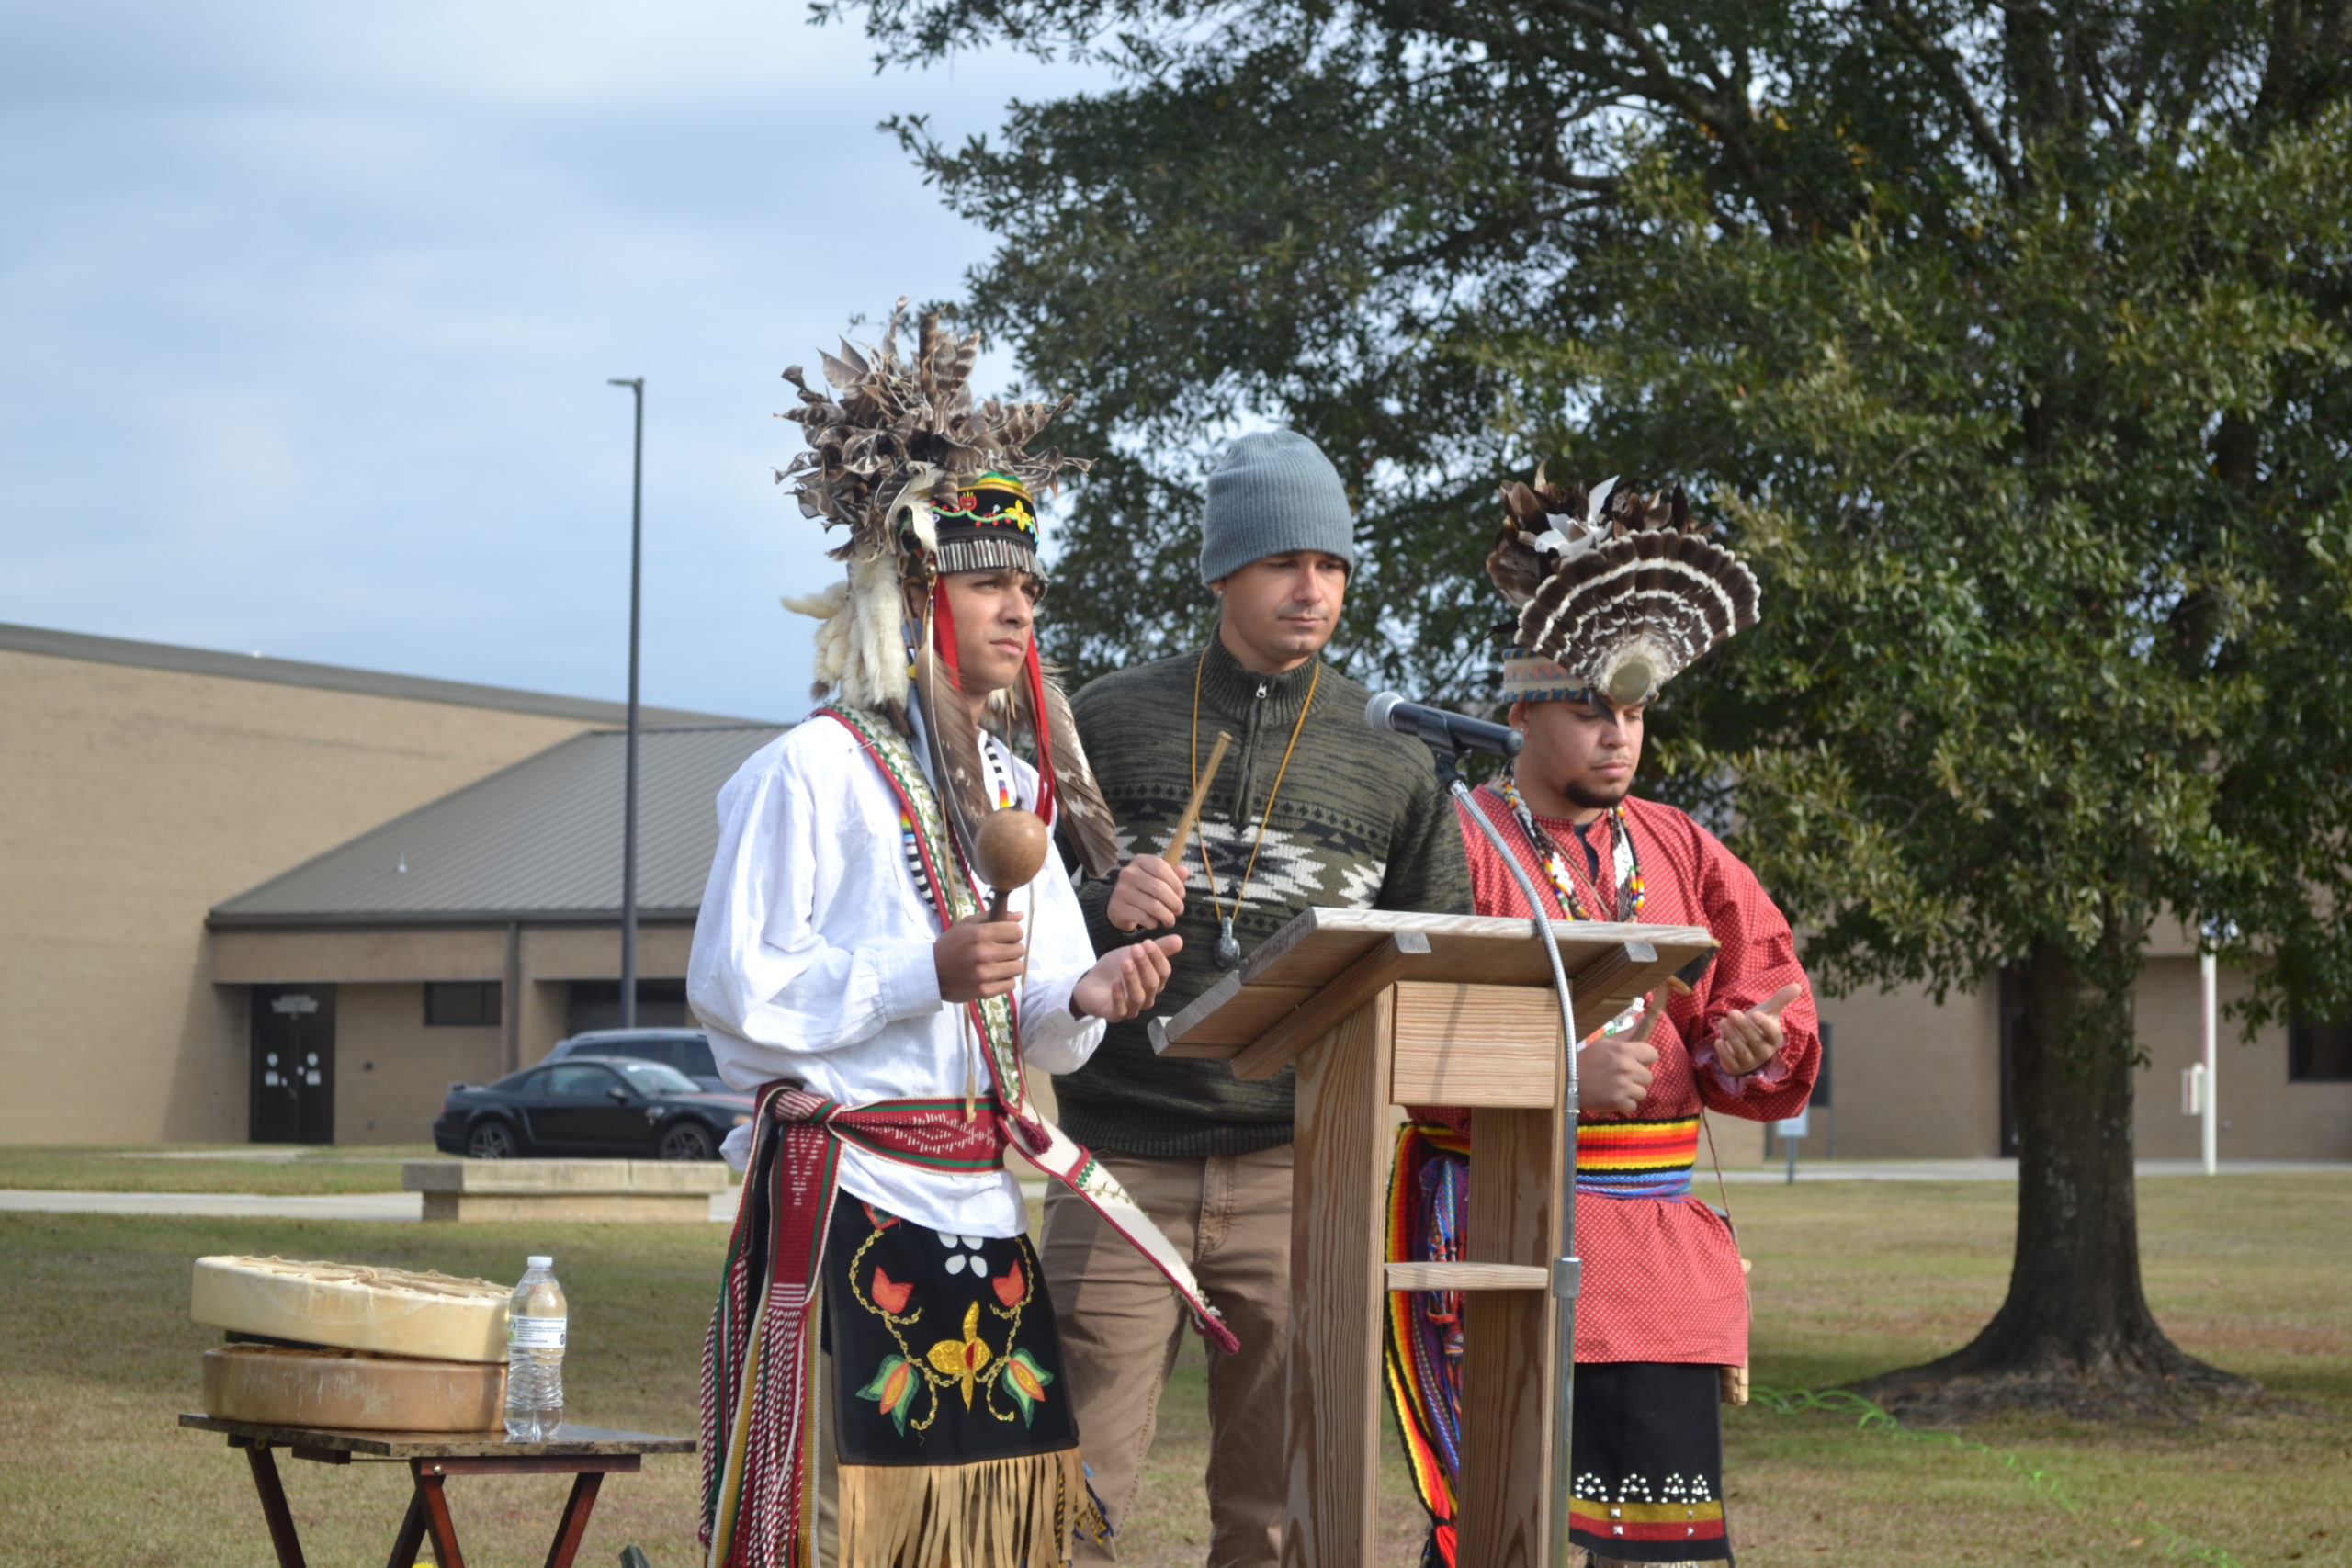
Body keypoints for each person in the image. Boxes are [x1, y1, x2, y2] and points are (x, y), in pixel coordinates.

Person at [690, 305, 1233, 1568]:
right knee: (853, 1526)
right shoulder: (805, 774)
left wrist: (1090, 988)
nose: (1021, 612)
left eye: (1031, 587)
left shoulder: (1014, 793)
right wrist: (914, 972)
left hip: (984, 1207)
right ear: (915, 594)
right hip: (850, 1200)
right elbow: (734, 991)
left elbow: (1035, 1018)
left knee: (989, 1531)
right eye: (992, 582)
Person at [1040, 428, 1474, 1565]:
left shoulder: (1398, 757)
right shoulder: (1106, 719)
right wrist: (1096, 907)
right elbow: (1019, 923)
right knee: (1064, 1497)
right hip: (1115, 1164)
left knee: (1278, 1515)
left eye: (1330, 565)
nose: (1311, 587)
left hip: (1300, 1169)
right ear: (1221, 571)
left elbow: (1438, 964)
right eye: (1284, 561)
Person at [1385, 471, 1821, 1568]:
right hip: (1501, 1223)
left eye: (1631, 713)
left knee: (1662, 1549)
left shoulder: (1679, 844)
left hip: (1654, 1242)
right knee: (1499, 1532)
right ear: (1521, 707)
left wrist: (1744, 1043)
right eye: (1589, 711)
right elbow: (1393, 1028)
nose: (1616, 737)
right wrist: (1560, 1071)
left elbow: (1757, 997)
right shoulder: (1456, 839)